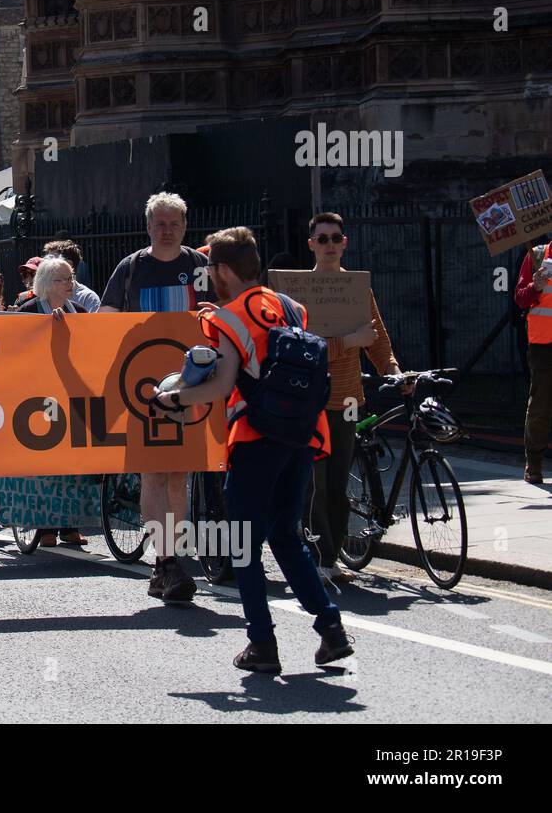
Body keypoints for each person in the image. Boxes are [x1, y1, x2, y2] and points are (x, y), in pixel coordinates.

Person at [152, 226, 351, 672]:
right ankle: (331, 629)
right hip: (299, 436)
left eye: (211, 268)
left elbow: (222, 384)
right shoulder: (291, 307)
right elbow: (264, 346)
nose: (208, 275)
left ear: (224, 270)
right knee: (286, 535)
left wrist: (173, 399)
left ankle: (262, 644)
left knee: (243, 544)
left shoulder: (228, 319)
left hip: (255, 440)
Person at [99, 192, 213, 603]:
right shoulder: (131, 268)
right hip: (142, 390)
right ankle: (164, 562)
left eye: (174, 222)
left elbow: (221, 314)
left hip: (190, 388)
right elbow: (105, 319)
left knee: (179, 475)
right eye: (159, 223)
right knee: (153, 473)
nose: (166, 229)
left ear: (185, 226)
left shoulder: (200, 267)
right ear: (148, 226)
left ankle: (171, 559)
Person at [305, 212, 403, 583]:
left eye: (335, 238)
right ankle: (321, 558)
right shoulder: (301, 292)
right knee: (314, 483)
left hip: (347, 399)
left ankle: (330, 557)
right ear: (311, 244)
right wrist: (346, 342)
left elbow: (376, 336)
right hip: (310, 401)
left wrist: (392, 370)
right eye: (322, 238)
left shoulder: (358, 288)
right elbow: (301, 346)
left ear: (344, 243)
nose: (329, 245)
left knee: (337, 484)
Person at [13, 255, 89, 547]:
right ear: (45, 283)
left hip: (70, 394)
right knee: (45, 462)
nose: (68, 284)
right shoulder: (28, 311)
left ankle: (69, 525)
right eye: (61, 279)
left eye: (70, 278)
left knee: (72, 462)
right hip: (36, 396)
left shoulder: (80, 311)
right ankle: (45, 526)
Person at [517, 235, 552, 485]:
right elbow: (520, 298)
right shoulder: (537, 255)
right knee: (541, 403)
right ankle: (534, 463)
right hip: (543, 343)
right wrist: (535, 286)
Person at [43, 240, 101, 311]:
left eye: (52, 261)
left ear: (68, 265)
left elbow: (93, 322)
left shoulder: (87, 298)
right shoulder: (41, 294)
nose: (45, 265)